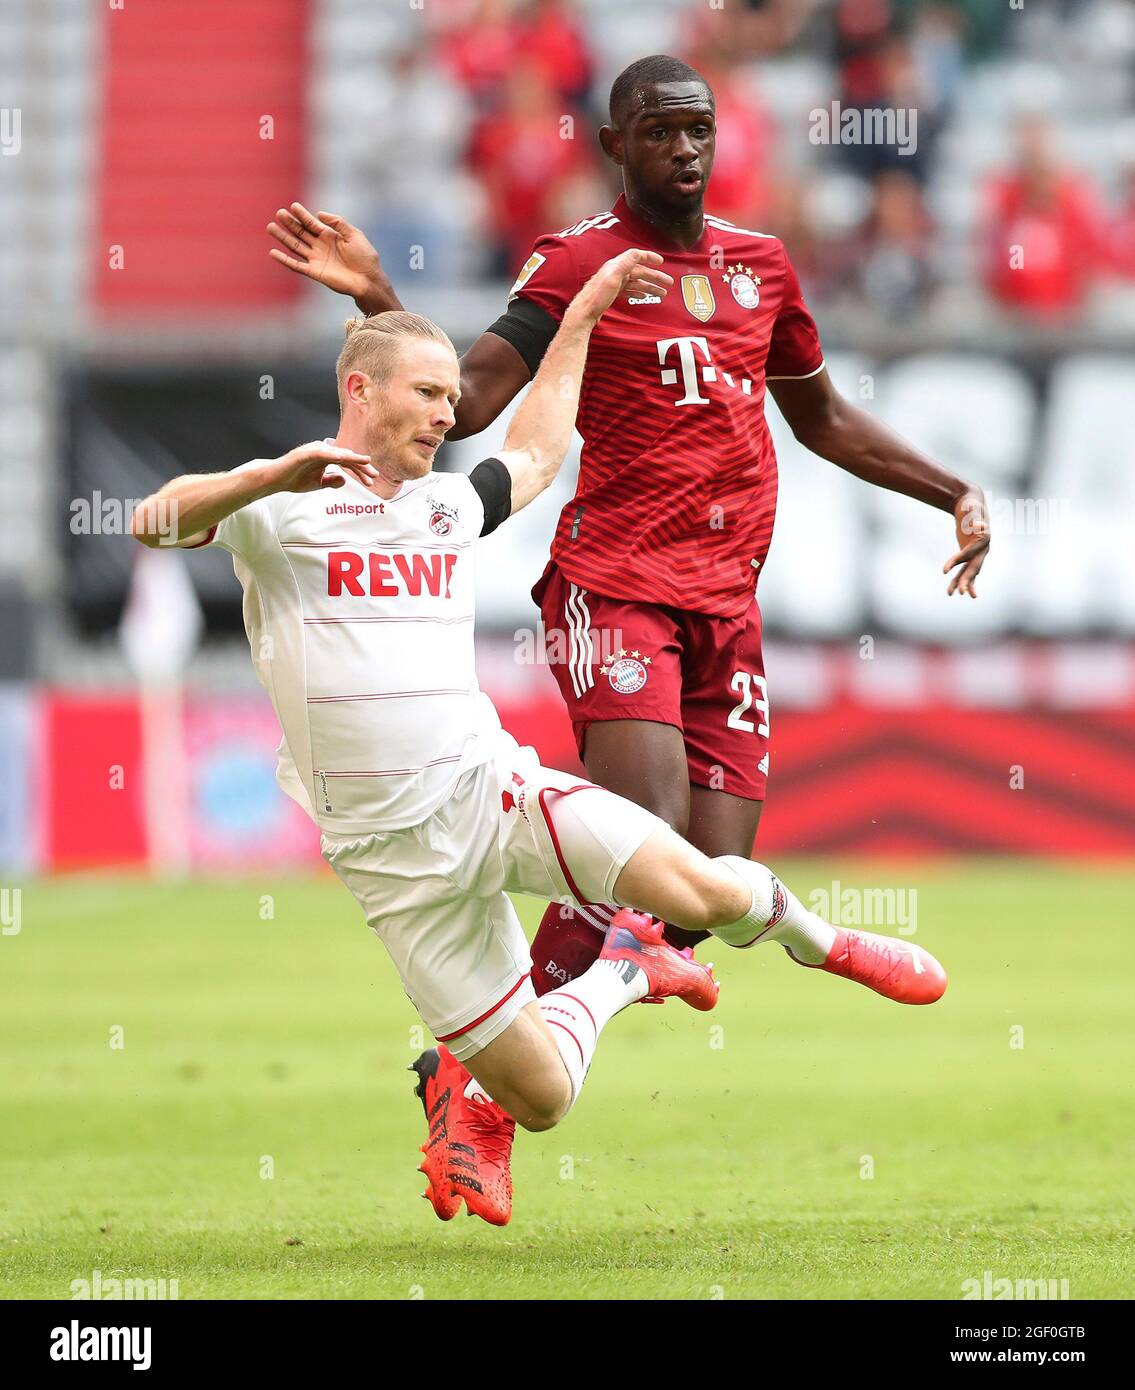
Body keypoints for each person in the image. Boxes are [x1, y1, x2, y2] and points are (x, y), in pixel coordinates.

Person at [130, 249, 947, 1228]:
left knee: (705, 884)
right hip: (392, 867)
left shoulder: (440, 505)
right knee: (544, 1099)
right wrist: (269, 472)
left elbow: (536, 451)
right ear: (361, 389)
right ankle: (623, 972)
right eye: (427, 394)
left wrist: (583, 319)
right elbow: (153, 521)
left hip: (490, 791)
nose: (445, 412)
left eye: (447, 395)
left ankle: (826, 941)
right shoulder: (280, 512)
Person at [264, 55, 989, 1007]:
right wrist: (374, 295)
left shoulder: (761, 264)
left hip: (726, 603)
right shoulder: (576, 261)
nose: (683, 148)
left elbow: (822, 420)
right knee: (647, 830)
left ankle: (506, 1043)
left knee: (701, 890)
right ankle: (492, 1078)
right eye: (659, 131)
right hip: (615, 586)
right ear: (615, 144)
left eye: (696, 129)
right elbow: (473, 401)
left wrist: (953, 491)